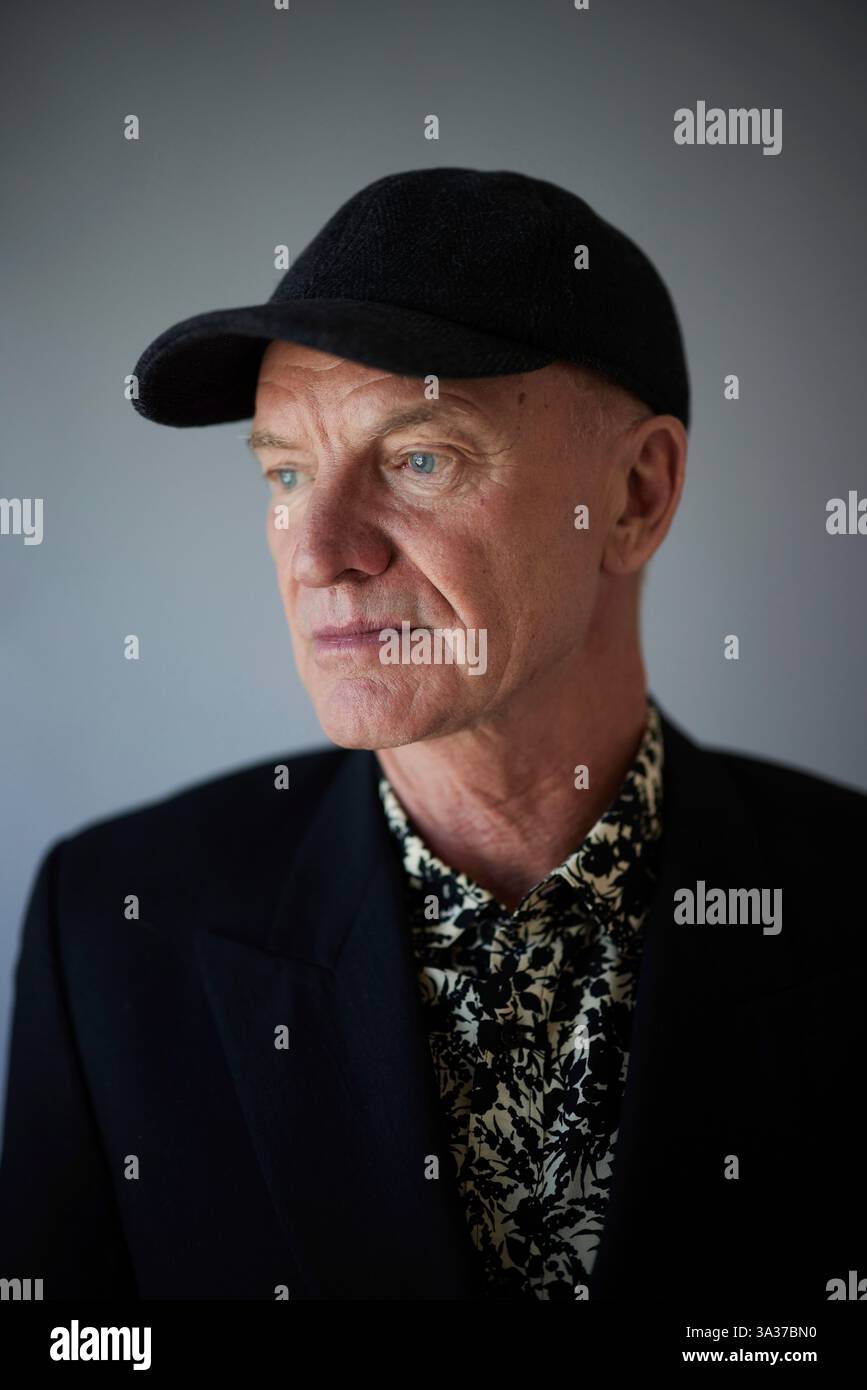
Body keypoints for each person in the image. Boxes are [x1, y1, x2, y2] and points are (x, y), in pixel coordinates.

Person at [1, 167, 865, 1302]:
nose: (316, 553)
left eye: (419, 457)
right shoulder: (111, 926)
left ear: (637, 496)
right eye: (287, 471)